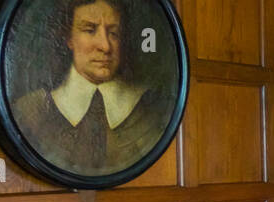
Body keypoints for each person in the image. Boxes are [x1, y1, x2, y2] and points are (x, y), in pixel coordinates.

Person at [12, 0, 172, 178]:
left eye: (113, 33)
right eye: (89, 30)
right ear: (68, 38)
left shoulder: (150, 108)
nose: (105, 46)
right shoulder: (30, 110)